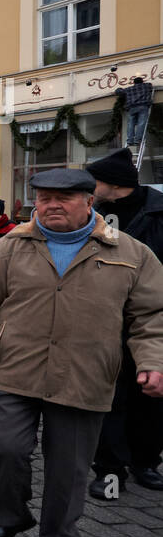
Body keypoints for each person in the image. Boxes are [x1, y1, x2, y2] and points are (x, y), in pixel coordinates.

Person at [0, 168, 163, 537]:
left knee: (69, 468)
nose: (50, 205)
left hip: (86, 376)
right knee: (1, 446)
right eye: (44, 198)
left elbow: (151, 315)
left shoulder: (130, 252)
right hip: (17, 368)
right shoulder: (10, 247)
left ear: (90, 203)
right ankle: (8, 516)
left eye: (63, 199)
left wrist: (151, 361)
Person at [86, 147, 163, 497]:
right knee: (109, 399)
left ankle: (146, 461)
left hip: (150, 322)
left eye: (94, 181)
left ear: (113, 184)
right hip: (103, 325)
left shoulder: (159, 212)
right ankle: (110, 471)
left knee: (151, 398)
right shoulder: (93, 216)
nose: (89, 187)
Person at [116, 72, 154, 147]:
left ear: (134, 82)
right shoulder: (147, 86)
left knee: (131, 124)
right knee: (141, 123)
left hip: (132, 108)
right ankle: (137, 140)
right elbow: (151, 86)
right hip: (143, 106)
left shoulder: (129, 89)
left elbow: (118, 91)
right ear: (142, 81)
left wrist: (119, 89)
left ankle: (130, 140)